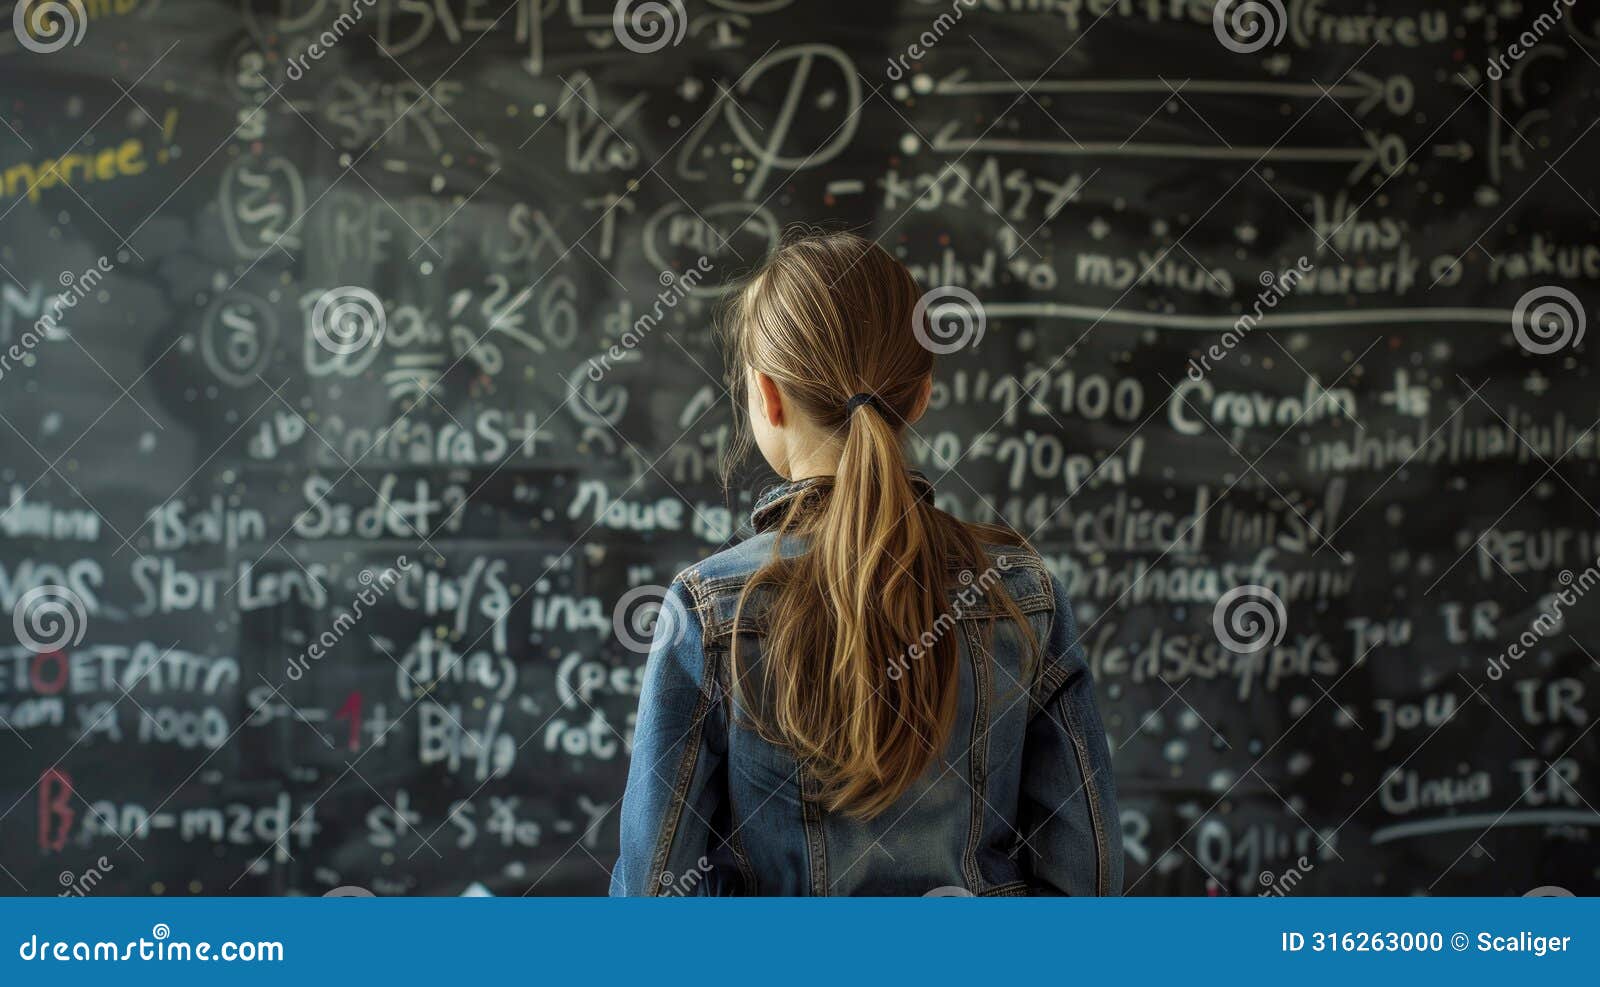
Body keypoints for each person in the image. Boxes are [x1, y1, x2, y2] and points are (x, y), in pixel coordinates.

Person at [611, 230, 1121, 896]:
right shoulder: (1022, 593)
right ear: (921, 396)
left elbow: (656, 897)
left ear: (766, 397)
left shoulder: (710, 610)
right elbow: (1085, 879)